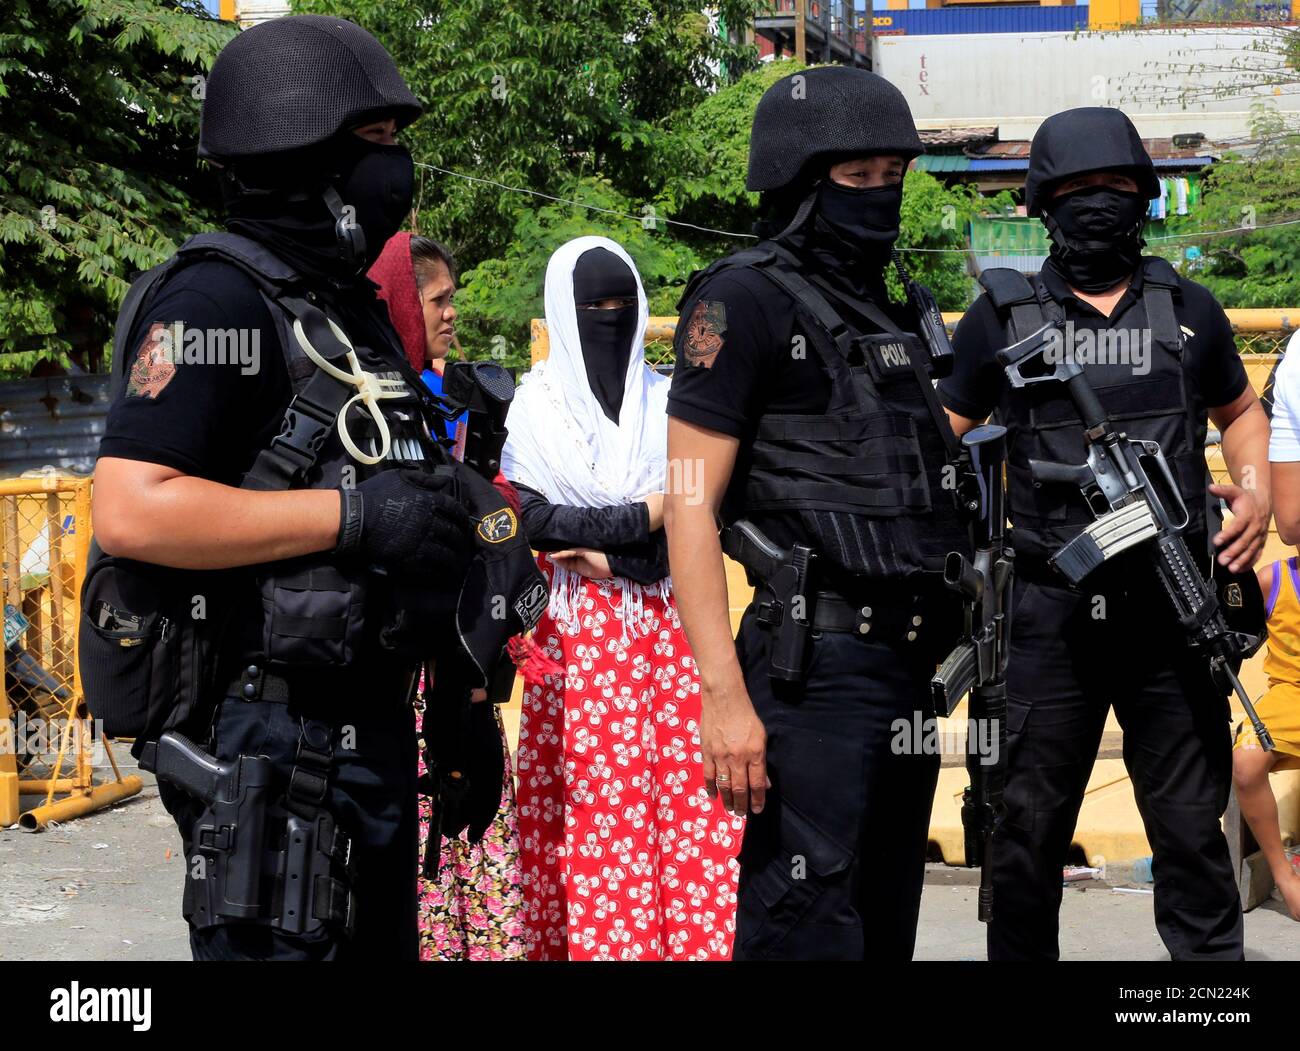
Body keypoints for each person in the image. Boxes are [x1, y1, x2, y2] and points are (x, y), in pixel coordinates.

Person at [87, 15, 516, 961]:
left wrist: (458, 702)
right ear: (301, 156)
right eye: (376, 144)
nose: (396, 168)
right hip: (274, 748)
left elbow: (423, 516)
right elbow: (129, 503)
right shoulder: (215, 300)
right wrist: (353, 516)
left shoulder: (343, 306)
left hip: (369, 726)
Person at [938, 106, 1272, 961]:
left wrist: (1259, 490)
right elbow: (939, 430)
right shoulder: (1001, 318)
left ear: (1142, 197)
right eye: (1078, 189)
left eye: (1116, 187)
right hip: (1049, 617)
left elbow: (1241, 413)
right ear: (1046, 203)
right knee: (1024, 841)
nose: (1098, 203)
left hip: (1172, 610)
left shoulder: (1187, 306)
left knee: (1194, 841)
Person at [664, 66, 970, 961]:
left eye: (893, 177)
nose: (880, 197)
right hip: (811, 673)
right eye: (856, 178)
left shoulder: (896, 303)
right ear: (800, 183)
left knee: (883, 928)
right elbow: (690, 505)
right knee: (805, 925)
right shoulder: (741, 300)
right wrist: (722, 698)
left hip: (908, 667)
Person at [503, 235, 745, 961]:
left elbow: (703, 506)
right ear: (563, 313)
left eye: (622, 306)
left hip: (675, 635)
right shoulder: (531, 411)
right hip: (576, 647)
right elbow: (528, 518)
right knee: (594, 819)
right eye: (593, 309)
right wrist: (646, 516)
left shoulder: (673, 401)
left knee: (691, 814)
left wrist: (615, 552)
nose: (610, 320)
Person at [369, 232, 526, 960]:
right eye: (438, 299)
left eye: (454, 298)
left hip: (463, 667)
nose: (452, 313)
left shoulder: (461, 400)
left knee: (477, 826)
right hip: (399, 679)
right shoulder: (364, 410)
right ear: (400, 301)